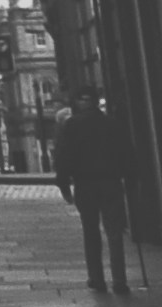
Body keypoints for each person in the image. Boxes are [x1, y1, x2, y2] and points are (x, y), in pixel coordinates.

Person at [54, 87, 137, 295]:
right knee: (114, 232)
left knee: (90, 231)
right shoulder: (112, 123)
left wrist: (63, 184)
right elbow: (127, 153)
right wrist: (131, 179)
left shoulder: (71, 125)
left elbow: (63, 156)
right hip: (111, 182)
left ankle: (97, 278)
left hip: (86, 183)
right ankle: (119, 280)